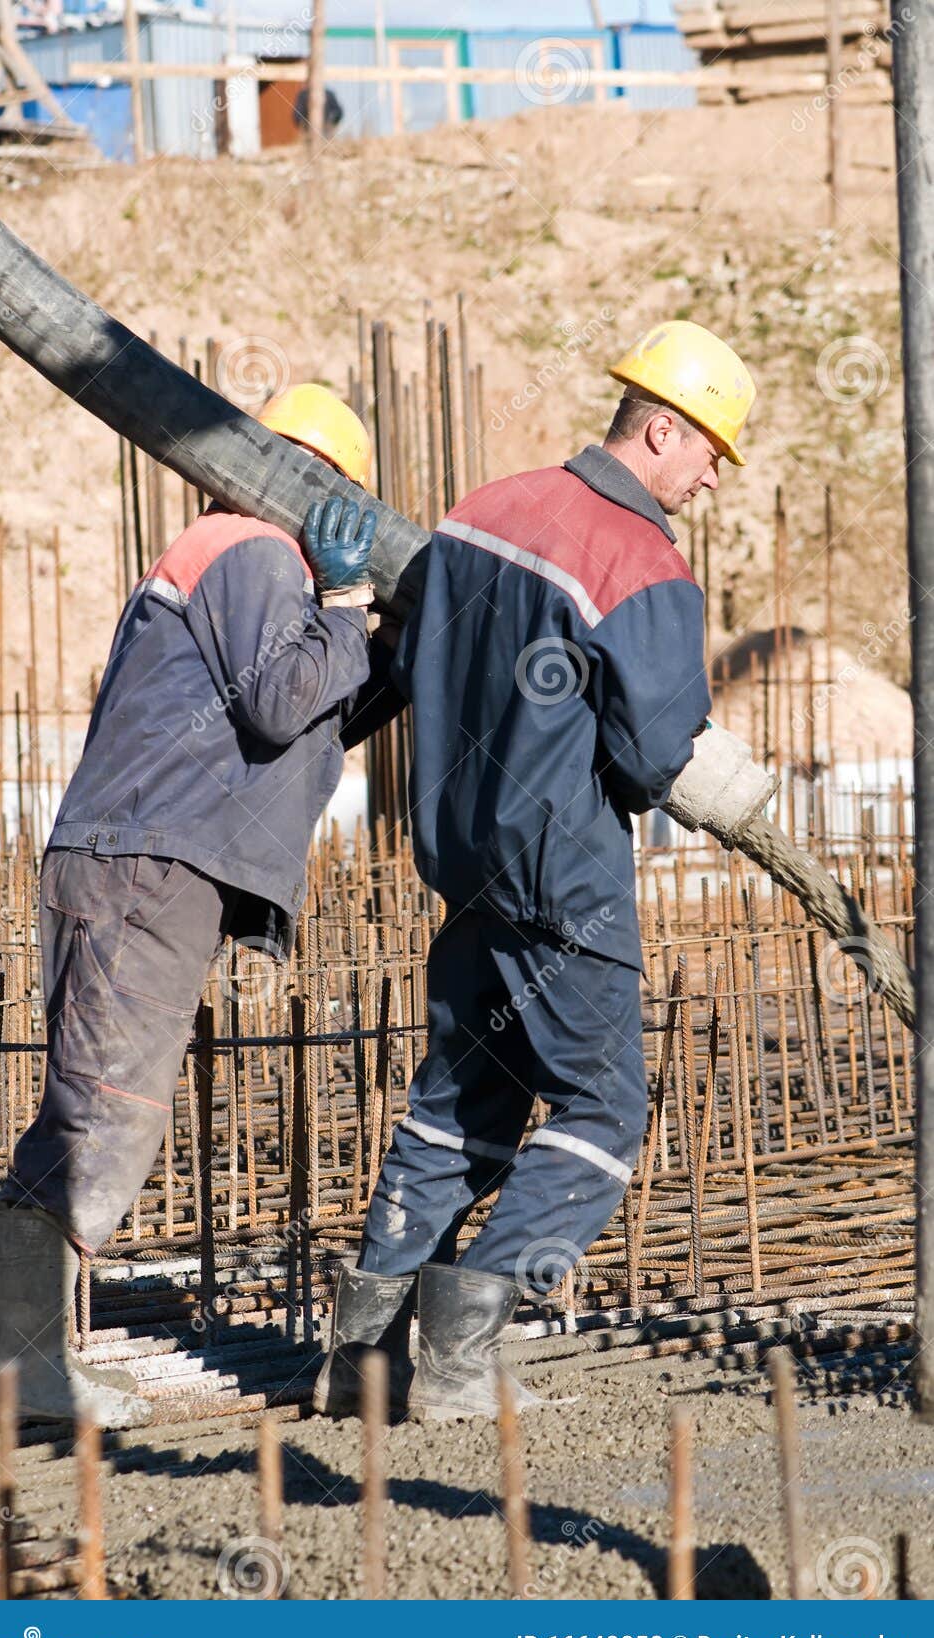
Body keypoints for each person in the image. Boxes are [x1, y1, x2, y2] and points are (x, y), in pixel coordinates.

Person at [314, 321, 757, 1420]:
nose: (709, 476)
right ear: (661, 427)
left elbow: (405, 667)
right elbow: (655, 750)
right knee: (602, 1114)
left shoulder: (480, 511)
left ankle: (356, 1365)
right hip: (563, 879)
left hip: (463, 862)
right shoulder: (638, 558)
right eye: (709, 450)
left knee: (458, 1108)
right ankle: (458, 1357)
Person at [0, 384, 384, 1429]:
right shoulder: (250, 544)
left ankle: (27, 1359)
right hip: (143, 866)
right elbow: (282, 698)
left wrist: (362, 648)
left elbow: (302, 720)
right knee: (106, 1113)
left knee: (93, 1107)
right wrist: (344, 611)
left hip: (144, 863)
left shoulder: (240, 563)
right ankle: (26, 1369)